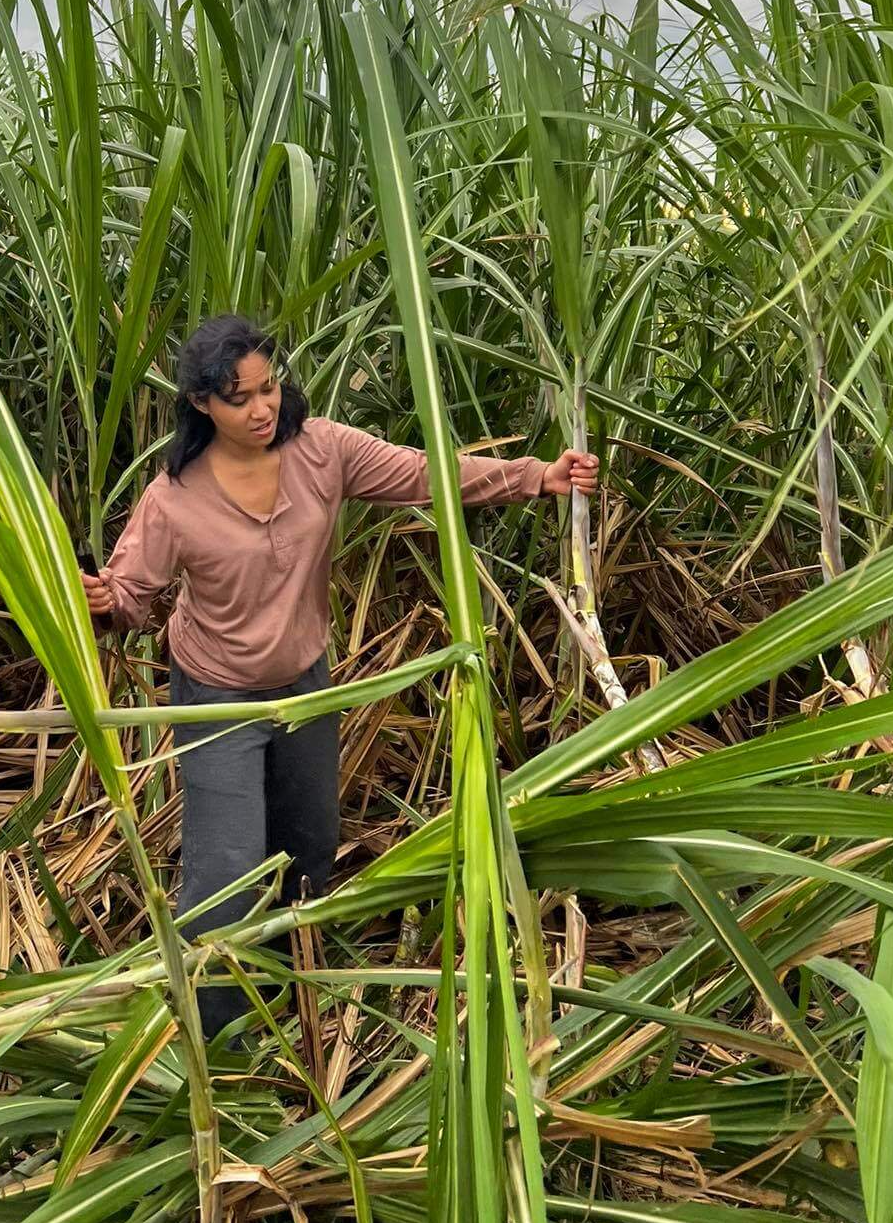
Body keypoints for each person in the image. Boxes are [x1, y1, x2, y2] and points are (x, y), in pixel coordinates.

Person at [80, 312, 600, 1042]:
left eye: (269, 388)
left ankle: (298, 996)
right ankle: (216, 1040)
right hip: (216, 698)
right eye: (239, 398)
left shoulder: (321, 450)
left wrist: (534, 478)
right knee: (225, 873)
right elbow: (133, 600)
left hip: (306, 685)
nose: (262, 409)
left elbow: (425, 474)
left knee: (309, 845)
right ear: (201, 404)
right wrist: (106, 601)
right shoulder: (175, 500)